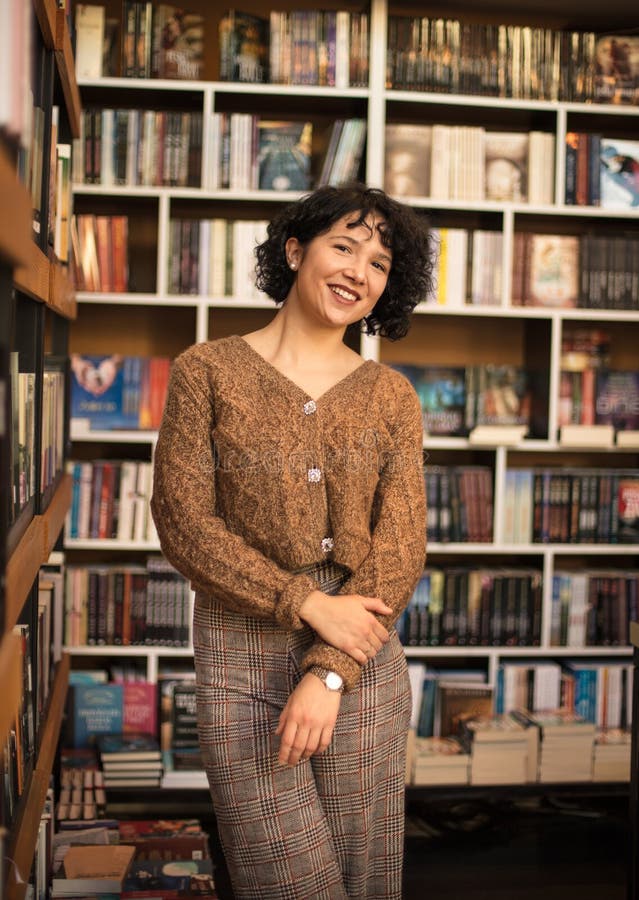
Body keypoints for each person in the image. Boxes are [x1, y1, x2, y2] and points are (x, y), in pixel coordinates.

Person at [151, 183, 432, 899]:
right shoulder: (207, 371)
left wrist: (331, 669)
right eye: (344, 247)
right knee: (283, 880)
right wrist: (306, 603)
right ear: (296, 250)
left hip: (361, 658)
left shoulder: (391, 396)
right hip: (238, 656)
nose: (358, 272)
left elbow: (400, 541)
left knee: (363, 882)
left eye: (378, 264)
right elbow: (183, 520)